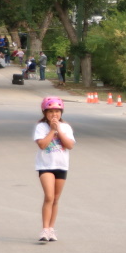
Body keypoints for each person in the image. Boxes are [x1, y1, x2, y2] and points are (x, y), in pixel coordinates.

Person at [34, 96, 75, 242]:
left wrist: (59, 131)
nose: (54, 114)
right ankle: (44, 230)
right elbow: (42, 145)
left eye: (57, 111)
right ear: (45, 113)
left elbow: (69, 145)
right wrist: (52, 130)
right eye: (50, 111)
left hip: (61, 166)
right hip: (45, 166)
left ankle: (51, 229)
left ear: (61, 112)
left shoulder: (66, 127)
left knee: (56, 199)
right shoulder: (41, 127)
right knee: (49, 197)